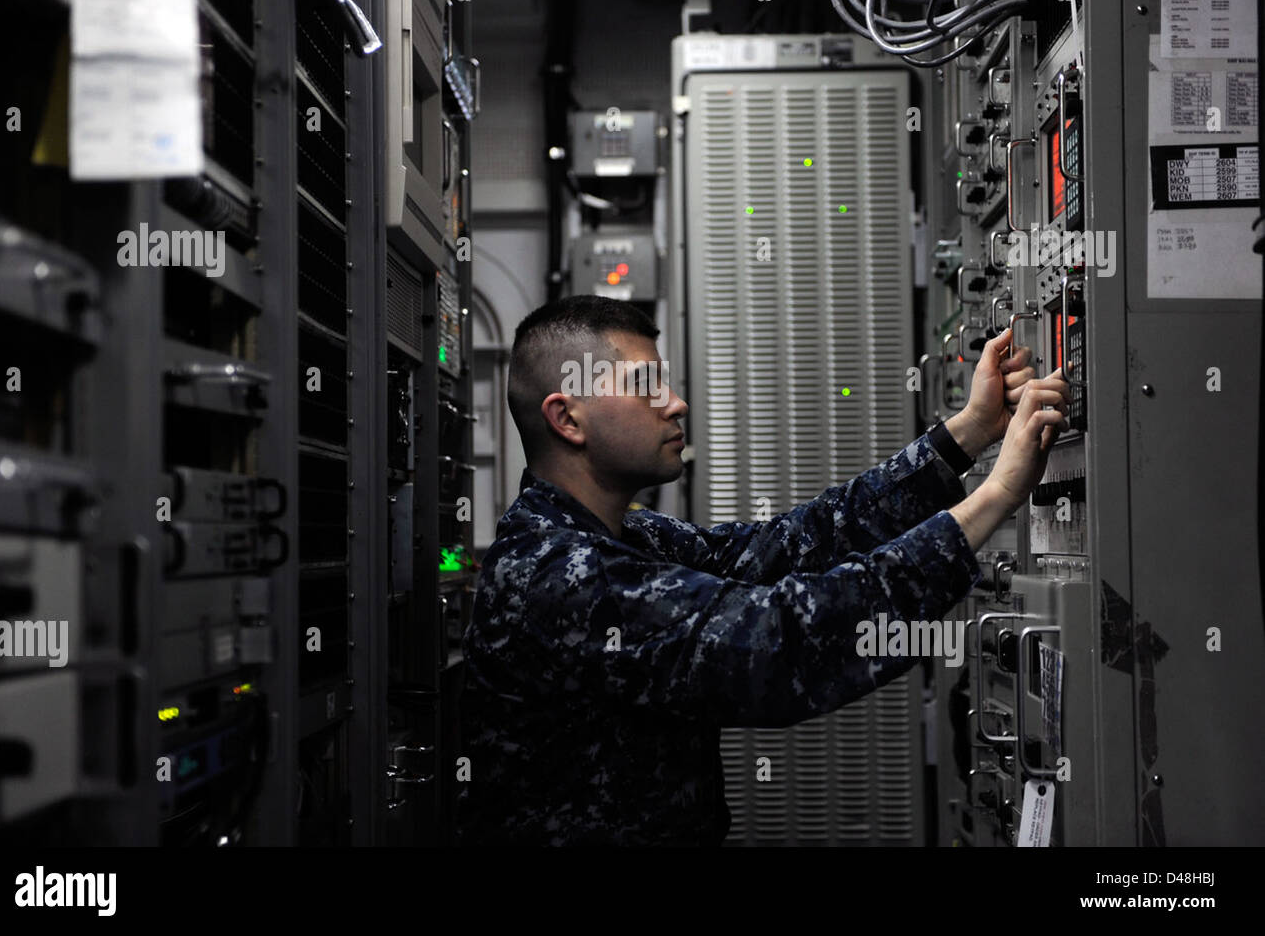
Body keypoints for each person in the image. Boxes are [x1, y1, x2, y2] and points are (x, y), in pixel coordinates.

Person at [457, 295, 1068, 846]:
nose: (676, 403)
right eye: (645, 384)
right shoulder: (552, 573)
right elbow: (776, 644)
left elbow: (789, 546)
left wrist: (967, 434)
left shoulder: (627, 536)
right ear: (567, 419)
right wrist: (995, 495)